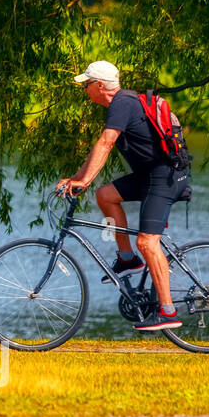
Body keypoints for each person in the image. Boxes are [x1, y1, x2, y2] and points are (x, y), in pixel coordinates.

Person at [56, 60, 189, 331]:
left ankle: (168, 312)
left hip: (165, 177)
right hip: (150, 176)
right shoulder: (122, 104)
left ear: (100, 86)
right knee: (106, 195)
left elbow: (106, 143)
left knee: (148, 243)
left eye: (87, 85)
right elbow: (98, 150)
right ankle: (128, 261)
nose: (85, 90)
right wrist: (77, 178)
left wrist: (84, 181)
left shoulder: (122, 103)